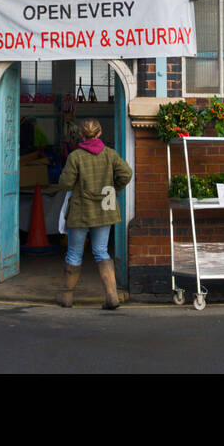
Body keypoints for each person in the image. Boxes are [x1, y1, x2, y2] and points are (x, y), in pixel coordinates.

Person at [56, 119, 133, 309]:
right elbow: (127, 174)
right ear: (99, 134)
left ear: (81, 135)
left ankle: (66, 297)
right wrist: (114, 188)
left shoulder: (76, 156)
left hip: (81, 209)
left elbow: (65, 184)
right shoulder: (110, 154)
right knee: (101, 251)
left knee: (74, 252)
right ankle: (112, 296)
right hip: (105, 208)